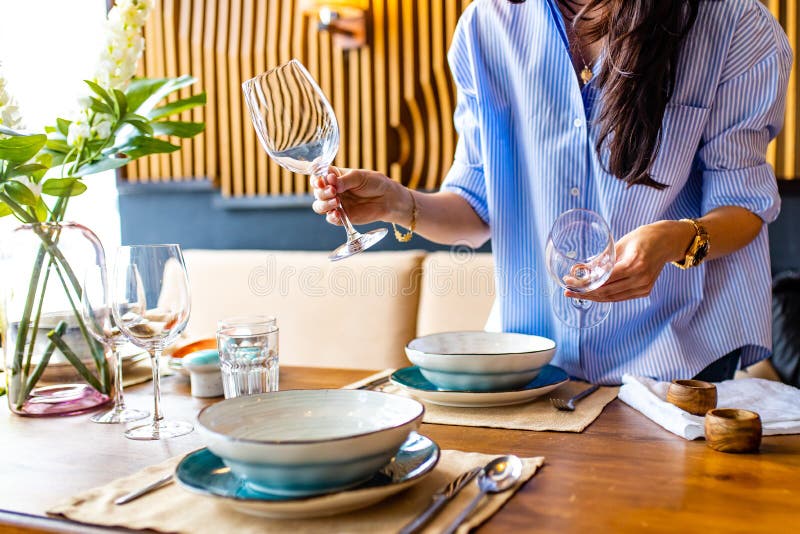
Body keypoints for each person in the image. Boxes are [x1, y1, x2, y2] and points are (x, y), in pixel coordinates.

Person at [311, 0, 793, 385]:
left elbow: (744, 207)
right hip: (534, 363)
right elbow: (477, 207)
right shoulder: (486, 26)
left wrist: (673, 240)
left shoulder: (732, 24)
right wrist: (399, 203)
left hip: (679, 358)